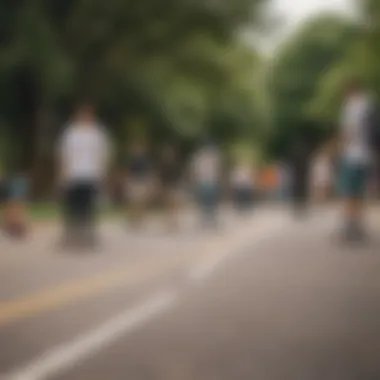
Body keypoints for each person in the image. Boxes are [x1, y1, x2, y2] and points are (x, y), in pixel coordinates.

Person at [57, 103, 110, 249]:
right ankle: (71, 238)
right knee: (72, 208)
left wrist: (102, 175)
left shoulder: (97, 134)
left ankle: (88, 239)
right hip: (73, 175)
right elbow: (65, 155)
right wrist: (63, 175)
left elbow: (102, 156)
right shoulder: (71, 133)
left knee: (88, 209)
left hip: (91, 175)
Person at [338, 79, 373, 241]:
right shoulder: (367, 105)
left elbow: (349, 131)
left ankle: (350, 227)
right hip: (365, 155)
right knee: (359, 192)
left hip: (351, 155)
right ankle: (359, 225)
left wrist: (340, 147)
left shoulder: (351, 107)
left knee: (348, 191)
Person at [191, 141, 221, 228]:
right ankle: (207, 217)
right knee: (206, 200)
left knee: (209, 200)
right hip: (205, 182)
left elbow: (216, 170)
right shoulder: (201, 159)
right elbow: (195, 171)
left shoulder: (208, 159)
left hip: (209, 182)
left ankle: (209, 217)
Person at [124, 140, 152, 228]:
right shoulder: (132, 160)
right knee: (134, 203)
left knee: (141, 203)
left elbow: (147, 173)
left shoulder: (144, 161)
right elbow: (128, 172)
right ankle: (133, 220)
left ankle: (140, 220)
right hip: (134, 181)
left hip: (141, 182)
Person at [158, 144, 182, 230]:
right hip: (166, 186)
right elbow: (161, 176)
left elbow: (178, 175)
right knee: (167, 205)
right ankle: (168, 222)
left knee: (174, 205)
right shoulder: (163, 165)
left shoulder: (175, 165)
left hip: (173, 186)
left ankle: (174, 221)